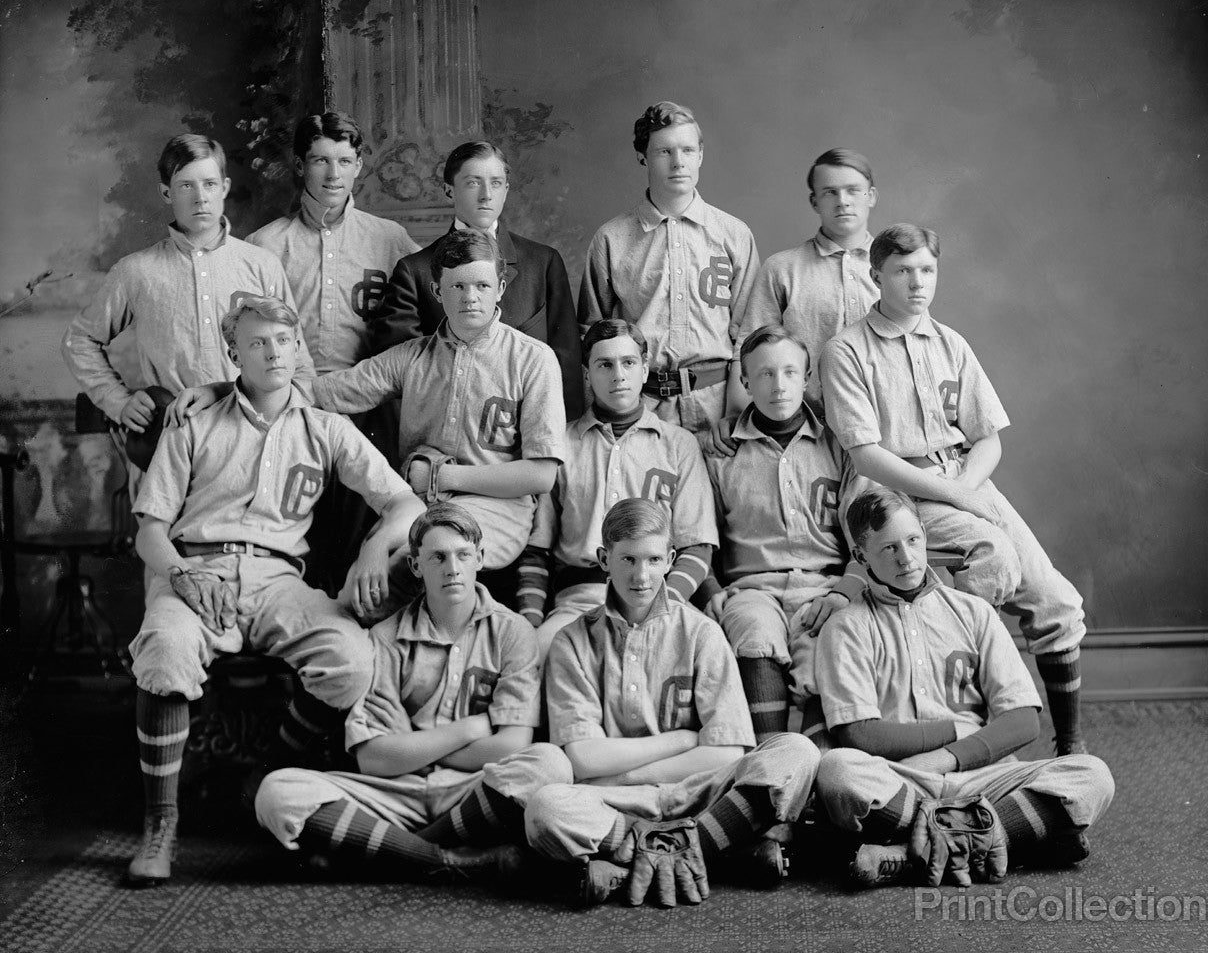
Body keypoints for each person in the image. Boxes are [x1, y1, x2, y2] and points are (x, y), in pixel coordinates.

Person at [125, 296, 422, 886]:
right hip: (197, 571)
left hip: (279, 580)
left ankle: (267, 773)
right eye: (258, 343)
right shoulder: (196, 423)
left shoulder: (325, 429)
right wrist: (181, 576)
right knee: (165, 647)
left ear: (297, 348)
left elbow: (406, 503)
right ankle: (161, 822)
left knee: (350, 658)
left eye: (284, 342)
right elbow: (150, 532)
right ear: (234, 353)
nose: (273, 353)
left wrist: (372, 546)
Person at [820, 223, 1088, 755]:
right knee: (993, 556)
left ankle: (1071, 745)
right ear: (876, 275)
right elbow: (866, 453)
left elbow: (988, 438)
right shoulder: (847, 349)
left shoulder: (950, 343)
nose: (917, 282)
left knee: (1058, 601)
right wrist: (954, 494)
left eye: (927, 270)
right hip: (887, 489)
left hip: (960, 479)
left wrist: (964, 487)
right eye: (902, 270)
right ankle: (971, 700)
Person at [254, 503, 572, 884]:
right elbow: (374, 759)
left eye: (462, 555)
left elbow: (512, 745)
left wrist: (411, 746)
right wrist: (471, 729)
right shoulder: (384, 638)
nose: (452, 568)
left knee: (549, 764)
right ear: (417, 566)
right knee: (278, 793)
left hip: (469, 790)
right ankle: (443, 861)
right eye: (437, 557)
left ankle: (392, 854)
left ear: (480, 559)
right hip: (393, 793)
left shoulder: (513, 632)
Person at [811, 488, 1113, 888]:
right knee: (838, 773)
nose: (906, 557)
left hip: (980, 776)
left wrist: (946, 758)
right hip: (902, 778)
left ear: (924, 534)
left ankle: (907, 855)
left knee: (1092, 775)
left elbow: (1023, 720)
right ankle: (1009, 837)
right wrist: (955, 731)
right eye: (888, 549)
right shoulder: (846, 627)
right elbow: (858, 733)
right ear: (862, 558)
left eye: (913, 541)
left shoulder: (972, 612)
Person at [524, 499, 819, 907]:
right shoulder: (572, 641)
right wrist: (683, 740)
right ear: (603, 559)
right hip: (616, 802)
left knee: (796, 753)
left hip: (697, 792)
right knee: (545, 810)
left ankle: (633, 864)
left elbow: (727, 752)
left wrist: (624, 773)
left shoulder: (702, 633)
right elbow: (583, 759)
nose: (640, 575)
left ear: (670, 560)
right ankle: (719, 852)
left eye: (652, 559)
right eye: (627, 558)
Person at [311, 228, 566, 593]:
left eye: (481, 285)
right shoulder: (413, 356)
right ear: (437, 292)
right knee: (359, 588)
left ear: (501, 289)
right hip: (418, 506)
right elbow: (327, 392)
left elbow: (542, 476)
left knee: (406, 571)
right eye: (457, 287)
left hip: (496, 510)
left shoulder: (533, 359)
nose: (470, 298)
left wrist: (442, 479)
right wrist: (225, 389)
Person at [63, 134, 315, 492]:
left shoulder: (260, 266)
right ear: (167, 193)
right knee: (166, 544)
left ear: (225, 187)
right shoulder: (137, 271)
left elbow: (298, 360)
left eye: (210, 183)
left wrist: (289, 431)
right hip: (167, 446)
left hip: (252, 445)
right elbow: (79, 339)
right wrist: (117, 402)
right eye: (186, 186)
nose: (201, 197)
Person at [246, 111, 420, 592]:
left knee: (366, 531)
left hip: (371, 409)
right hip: (290, 407)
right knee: (300, 529)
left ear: (360, 164)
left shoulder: (390, 240)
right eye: (320, 160)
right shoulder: (265, 245)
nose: (332, 174)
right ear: (301, 165)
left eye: (344, 160)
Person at [516, 319, 717, 661]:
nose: (618, 375)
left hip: (657, 597)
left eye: (628, 363)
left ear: (644, 369)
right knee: (534, 657)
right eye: (604, 365)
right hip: (579, 601)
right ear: (586, 374)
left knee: (707, 653)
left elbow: (697, 547)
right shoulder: (561, 445)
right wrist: (530, 621)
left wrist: (668, 603)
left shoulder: (678, 445)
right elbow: (536, 551)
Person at [701, 326, 867, 741]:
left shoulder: (841, 445)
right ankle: (770, 762)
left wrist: (845, 589)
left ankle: (820, 773)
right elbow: (699, 533)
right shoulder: (721, 454)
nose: (779, 386)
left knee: (828, 645)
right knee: (753, 632)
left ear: (807, 378)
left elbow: (868, 534)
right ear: (744, 382)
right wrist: (710, 590)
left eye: (791, 373)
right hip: (752, 587)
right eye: (765, 374)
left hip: (826, 585)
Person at [577, 102, 759, 448]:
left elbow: (748, 333)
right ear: (642, 157)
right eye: (664, 151)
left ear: (701, 155)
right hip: (639, 403)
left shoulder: (734, 235)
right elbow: (592, 334)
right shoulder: (612, 238)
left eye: (688, 150)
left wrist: (737, 411)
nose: (678, 162)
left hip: (718, 404)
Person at [375, 140, 584, 418]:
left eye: (496, 183)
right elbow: (402, 372)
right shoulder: (415, 271)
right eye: (473, 183)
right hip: (448, 431)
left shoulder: (542, 262)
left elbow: (565, 363)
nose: (486, 195)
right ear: (449, 189)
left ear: (506, 190)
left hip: (530, 429)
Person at [733, 148, 879, 417]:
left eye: (853, 190)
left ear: (871, 196)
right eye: (830, 192)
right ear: (814, 202)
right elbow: (749, 350)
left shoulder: (895, 267)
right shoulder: (782, 269)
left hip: (883, 424)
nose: (843, 201)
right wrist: (736, 416)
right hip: (809, 426)